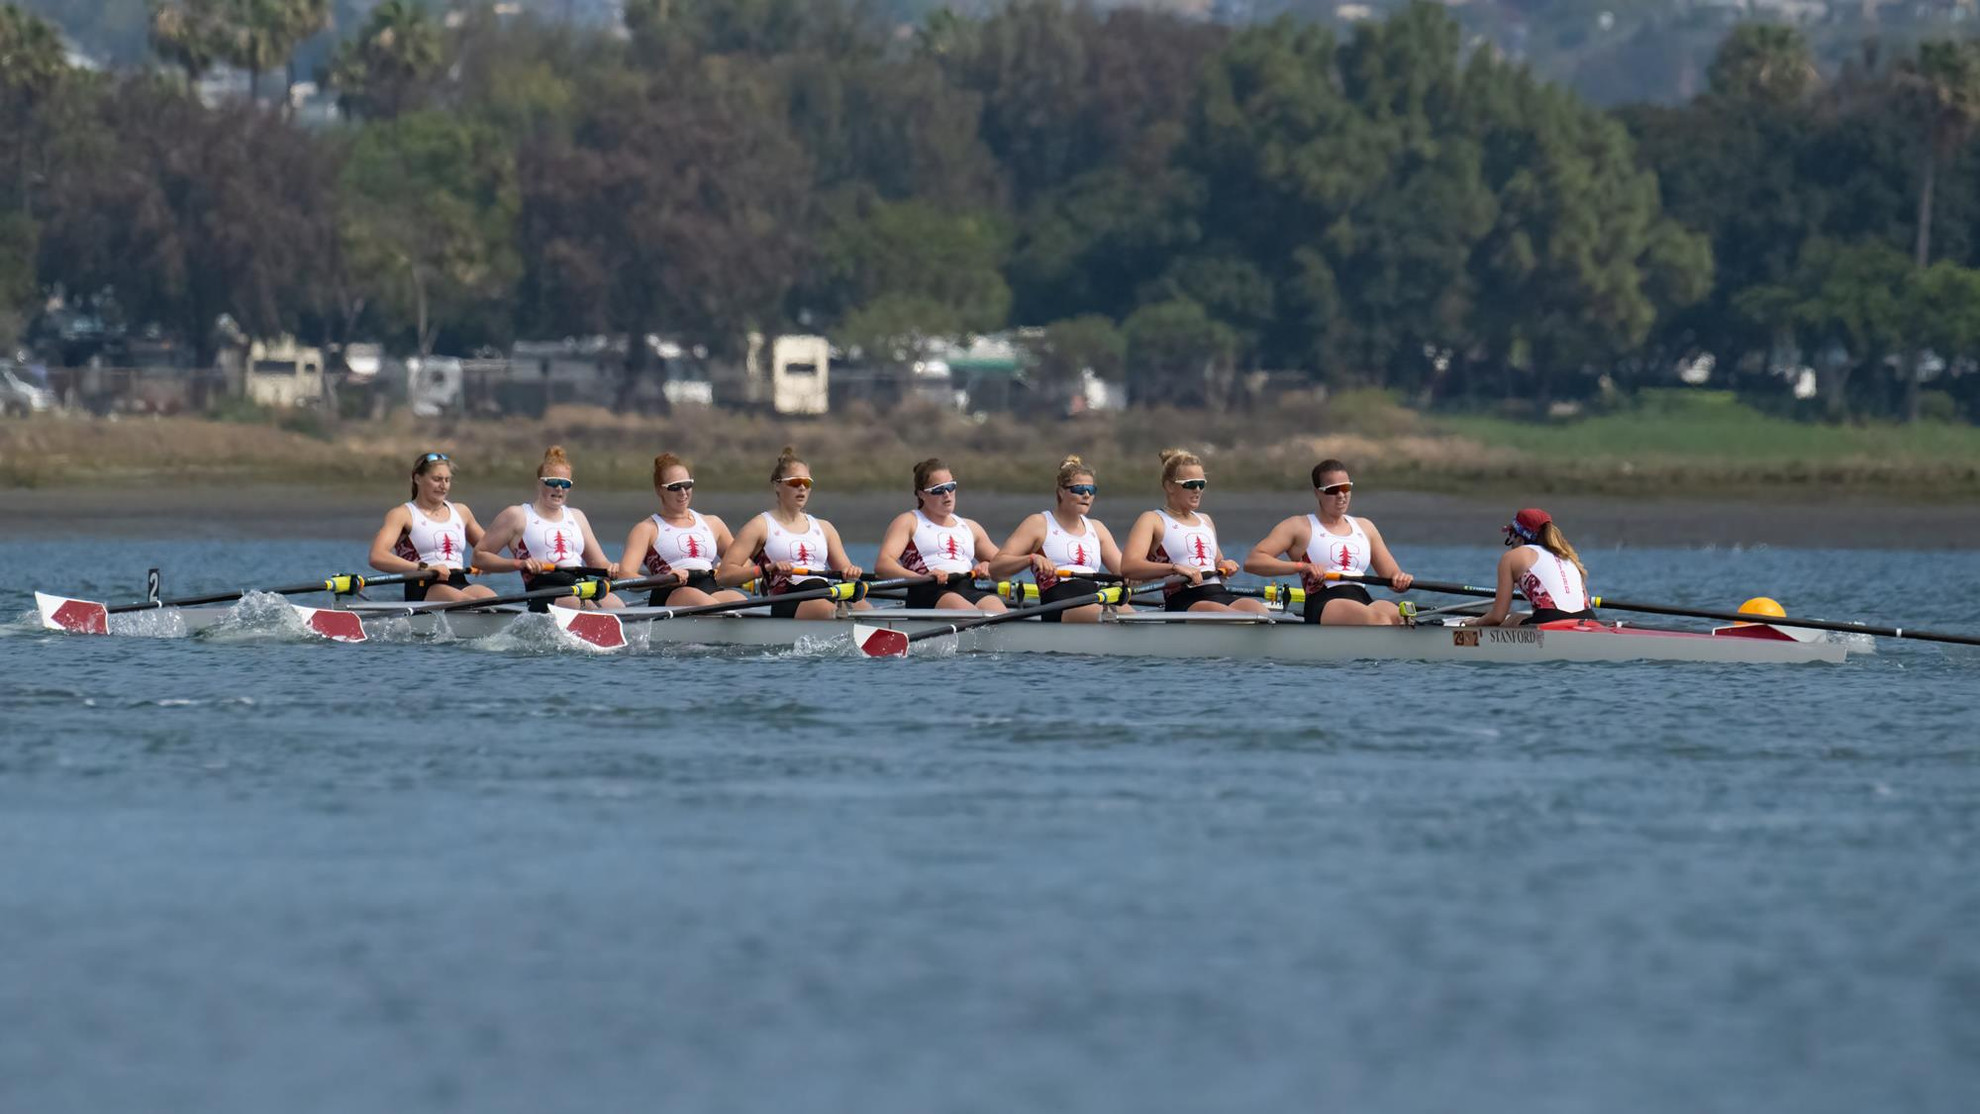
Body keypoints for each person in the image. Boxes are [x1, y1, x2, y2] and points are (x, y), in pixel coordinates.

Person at [1243, 458, 1414, 624]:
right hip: (1324, 602)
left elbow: (1392, 577)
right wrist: (1303, 567)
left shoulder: (1366, 527)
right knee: (1379, 620)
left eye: (1346, 488)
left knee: (1401, 618)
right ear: (1317, 492)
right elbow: (1253, 561)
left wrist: (1401, 581)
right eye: (1333, 490)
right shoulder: (1299, 526)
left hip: (1362, 598)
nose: (1341, 495)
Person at [716, 446, 868, 620]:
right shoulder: (760, 526)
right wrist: (765, 570)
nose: (802, 488)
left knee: (865, 608)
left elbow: (845, 573)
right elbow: (724, 576)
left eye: (807, 483)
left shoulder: (825, 528)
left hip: (825, 592)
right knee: (831, 611)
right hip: (787, 600)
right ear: (777, 485)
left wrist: (852, 573)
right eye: (795, 482)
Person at [473, 445, 624, 611]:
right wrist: (519, 564)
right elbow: (479, 557)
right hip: (543, 590)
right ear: (539, 484)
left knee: (617, 604)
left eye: (565, 484)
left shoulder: (577, 516)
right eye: (552, 482)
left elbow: (598, 562)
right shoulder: (517, 515)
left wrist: (611, 567)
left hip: (580, 585)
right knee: (586, 607)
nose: (559, 488)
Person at [1120, 448, 1270, 614]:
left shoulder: (1205, 520)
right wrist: (1175, 568)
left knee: (1260, 611)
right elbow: (1129, 566)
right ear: (1169, 486)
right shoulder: (1152, 520)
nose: (1197, 490)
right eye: (1190, 484)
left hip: (1218, 592)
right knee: (1233, 617)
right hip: (1184, 599)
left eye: (1201, 484)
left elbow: (1217, 562)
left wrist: (1224, 564)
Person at [988, 454, 1128, 623]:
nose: (1086, 495)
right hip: (1059, 605)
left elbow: (1126, 572)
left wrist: (1158, 570)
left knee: (1136, 618)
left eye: (1091, 490)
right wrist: (1031, 558)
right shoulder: (1038, 524)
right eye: (1079, 489)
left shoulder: (1097, 528)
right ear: (1061, 492)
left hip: (1095, 597)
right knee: (1118, 619)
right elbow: (996, 569)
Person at [616, 452, 746, 608]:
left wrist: (730, 568)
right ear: (659, 490)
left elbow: (745, 563)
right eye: (675, 487)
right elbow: (625, 576)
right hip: (671, 592)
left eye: (687, 484)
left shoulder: (713, 523)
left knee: (739, 600)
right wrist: (661, 579)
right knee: (696, 598)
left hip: (709, 587)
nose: (683, 492)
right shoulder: (646, 529)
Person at [876, 457, 1006, 612]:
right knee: (963, 609)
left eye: (951, 487)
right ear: (921, 494)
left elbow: (1005, 569)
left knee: (996, 607)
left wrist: (989, 567)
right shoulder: (909, 522)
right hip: (926, 591)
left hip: (966, 588)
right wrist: (922, 578)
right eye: (938, 489)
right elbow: (883, 565)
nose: (947, 494)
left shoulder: (971, 527)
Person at [367, 451, 498, 603]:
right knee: (467, 602)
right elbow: (377, 556)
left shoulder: (462, 511)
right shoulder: (402, 515)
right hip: (423, 585)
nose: (443, 486)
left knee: (493, 599)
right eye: (437, 479)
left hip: (459, 581)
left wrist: (489, 563)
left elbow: (488, 551)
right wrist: (423, 568)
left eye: (447, 480)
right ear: (417, 478)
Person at [1464, 508, 1595, 627]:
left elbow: (1497, 618)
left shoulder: (1511, 557)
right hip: (1588, 620)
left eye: (1510, 534)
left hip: (1550, 620)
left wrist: (1474, 623)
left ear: (1519, 537)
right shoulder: (1567, 556)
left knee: (1512, 619)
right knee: (1520, 617)